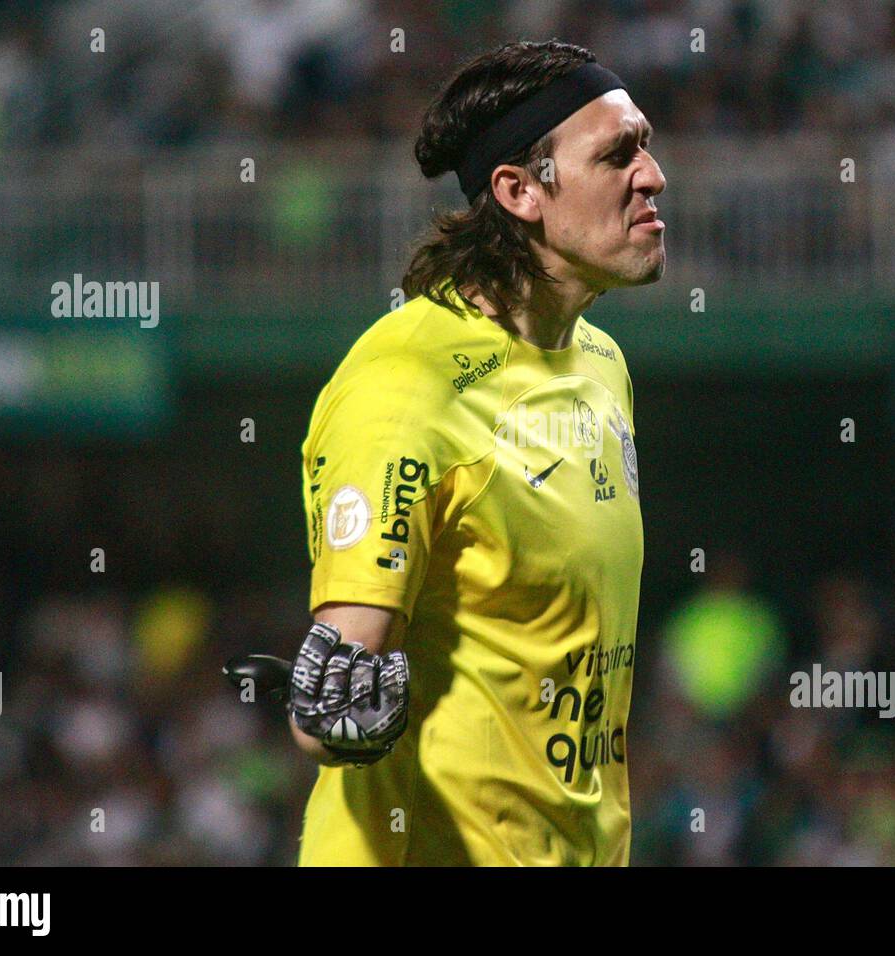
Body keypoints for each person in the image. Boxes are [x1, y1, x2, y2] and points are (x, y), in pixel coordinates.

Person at [274, 38, 666, 866]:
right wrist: (339, 715)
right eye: (617, 154)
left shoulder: (601, 365)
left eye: (647, 146)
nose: (653, 175)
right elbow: (331, 698)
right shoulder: (406, 387)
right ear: (520, 191)